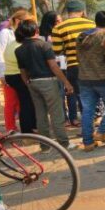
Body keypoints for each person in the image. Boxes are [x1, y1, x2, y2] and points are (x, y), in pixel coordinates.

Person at [15, 20, 75, 149]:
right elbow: (53, 66)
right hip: (48, 81)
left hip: (32, 82)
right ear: (36, 30)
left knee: (40, 114)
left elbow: (22, 71)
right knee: (56, 113)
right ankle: (64, 143)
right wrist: (66, 82)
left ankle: (45, 146)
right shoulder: (44, 45)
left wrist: (27, 83)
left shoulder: (19, 50)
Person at [76, 11, 105, 151]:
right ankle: (101, 132)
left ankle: (88, 142)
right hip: (104, 78)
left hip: (84, 78)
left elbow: (78, 57)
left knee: (88, 111)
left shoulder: (81, 36)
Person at [51, 0, 95, 127]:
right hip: (93, 65)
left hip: (73, 66)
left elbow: (58, 51)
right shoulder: (92, 24)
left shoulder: (59, 28)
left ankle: (87, 127)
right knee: (93, 96)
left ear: (68, 11)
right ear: (82, 11)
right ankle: (92, 125)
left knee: (82, 97)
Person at [2, 12, 36, 133]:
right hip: (18, 75)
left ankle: (29, 128)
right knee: (26, 103)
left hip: (11, 75)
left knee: (22, 102)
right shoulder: (20, 46)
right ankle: (28, 130)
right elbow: (24, 66)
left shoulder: (13, 44)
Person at [0, 9, 28, 131]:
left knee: (21, 101)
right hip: (8, 72)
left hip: (19, 71)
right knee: (11, 101)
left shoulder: (17, 32)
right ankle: (10, 128)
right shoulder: (5, 33)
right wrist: (2, 73)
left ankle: (24, 127)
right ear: (18, 20)